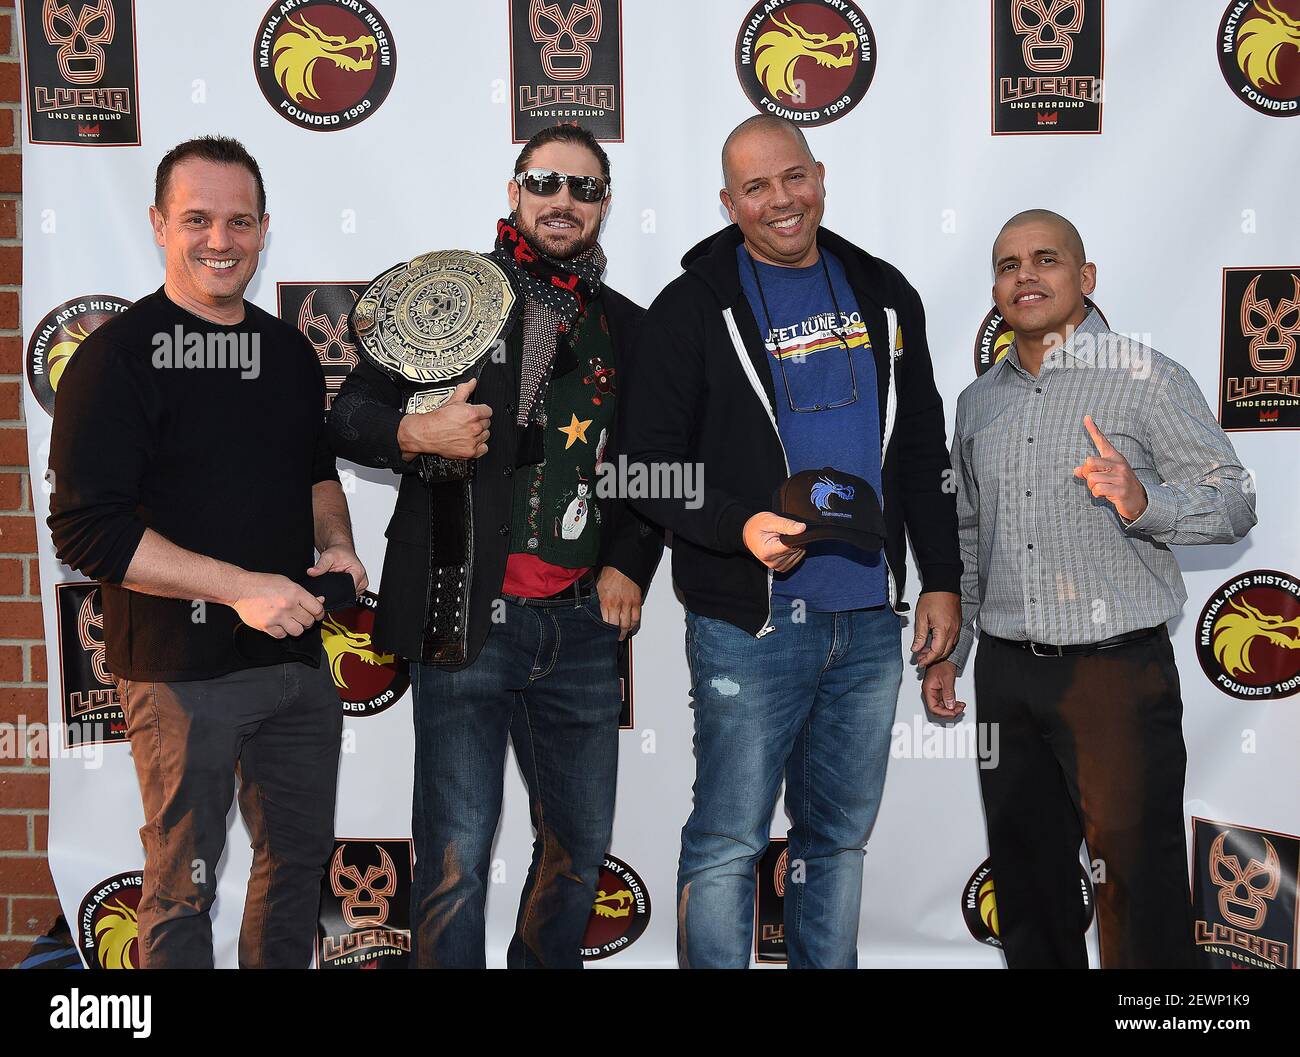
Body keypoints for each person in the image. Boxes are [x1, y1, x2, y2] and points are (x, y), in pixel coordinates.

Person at [618, 115, 962, 968]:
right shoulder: (689, 310)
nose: (781, 200)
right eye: (757, 188)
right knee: (730, 840)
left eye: (793, 178)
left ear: (820, 176)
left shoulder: (885, 294)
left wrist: (943, 578)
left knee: (836, 842)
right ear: (730, 203)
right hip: (753, 623)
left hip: (872, 623)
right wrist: (736, 523)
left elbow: (921, 448)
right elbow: (635, 471)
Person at [328, 123, 662, 969]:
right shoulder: (450, 296)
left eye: (584, 188)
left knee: (579, 851)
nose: (564, 201)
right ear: (515, 192)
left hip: (583, 626)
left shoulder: (629, 325)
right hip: (462, 613)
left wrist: (630, 558)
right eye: (546, 182)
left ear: (605, 206)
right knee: (455, 856)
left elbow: (656, 462)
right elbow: (348, 417)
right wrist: (417, 428)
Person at [47, 136, 365, 968]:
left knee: (296, 863)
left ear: (264, 230)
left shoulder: (290, 353)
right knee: (182, 882)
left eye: (239, 221)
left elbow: (316, 474)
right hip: (179, 668)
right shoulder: (115, 358)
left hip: (297, 656)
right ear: (158, 224)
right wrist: (238, 589)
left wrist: (337, 542)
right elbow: (88, 531)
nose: (219, 240)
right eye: (197, 220)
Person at [924, 208, 1257, 968]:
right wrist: (954, 650)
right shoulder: (980, 403)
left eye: (1045, 259)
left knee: (1138, 889)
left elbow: (1234, 499)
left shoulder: (1147, 378)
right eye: (1008, 265)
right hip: (1007, 674)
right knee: (1029, 883)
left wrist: (1147, 503)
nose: (1025, 276)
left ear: (1087, 276)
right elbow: (970, 539)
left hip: (1114, 673)